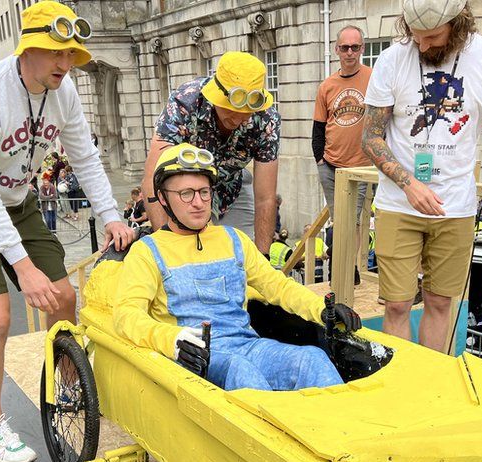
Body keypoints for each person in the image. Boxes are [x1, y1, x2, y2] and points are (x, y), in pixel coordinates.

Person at [0, 0, 133, 462]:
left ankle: (65, 384)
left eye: (71, 55)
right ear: (28, 51)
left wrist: (111, 215)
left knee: (63, 296)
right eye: (56, 54)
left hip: (17, 202)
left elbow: (84, 157)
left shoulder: (63, 92)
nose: (66, 64)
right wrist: (22, 267)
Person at [115, 143, 359, 391]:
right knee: (241, 370)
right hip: (198, 359)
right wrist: (172, 339)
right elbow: (127, 315)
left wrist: (322, 310)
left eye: (204, 192)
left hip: (246, 346)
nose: (198, 202)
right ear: (164, 198)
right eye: (186, 194)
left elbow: (278, 286)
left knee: (312, 359)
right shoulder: (148, 251)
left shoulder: (234, 240)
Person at [361, 0, 482, 351]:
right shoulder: (391, 60)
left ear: (457, 24)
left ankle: (429, 389)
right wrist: (409, 183)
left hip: (456, 208)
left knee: (440, 303)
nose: (422, 45)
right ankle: (400, 385)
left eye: (432, 37)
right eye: (416, 37)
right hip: (398, 205)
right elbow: (370, 137)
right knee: (398, 304)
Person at [141, 51, 280, 253]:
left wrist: (263, 258)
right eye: (231, 109)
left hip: (232, 186)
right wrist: (165, 251)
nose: (238, 119)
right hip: (184, 189)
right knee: (186, 253)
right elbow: (152, 179)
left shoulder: (267, 119)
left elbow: (265, 197)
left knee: (243, 255)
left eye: (246, 114)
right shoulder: (185, 103)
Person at [313, 25, 374, 221]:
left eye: (355, 47)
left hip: (362, 166)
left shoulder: (374, 78)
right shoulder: (327, 86)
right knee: (339, 221)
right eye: (345, 47)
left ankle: (353, 254)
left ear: (362, 48)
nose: (350, 53)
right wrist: (320, 161)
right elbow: (318, 128)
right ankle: (340, 254)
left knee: (354, 222)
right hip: (331, 167)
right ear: (336, 49)